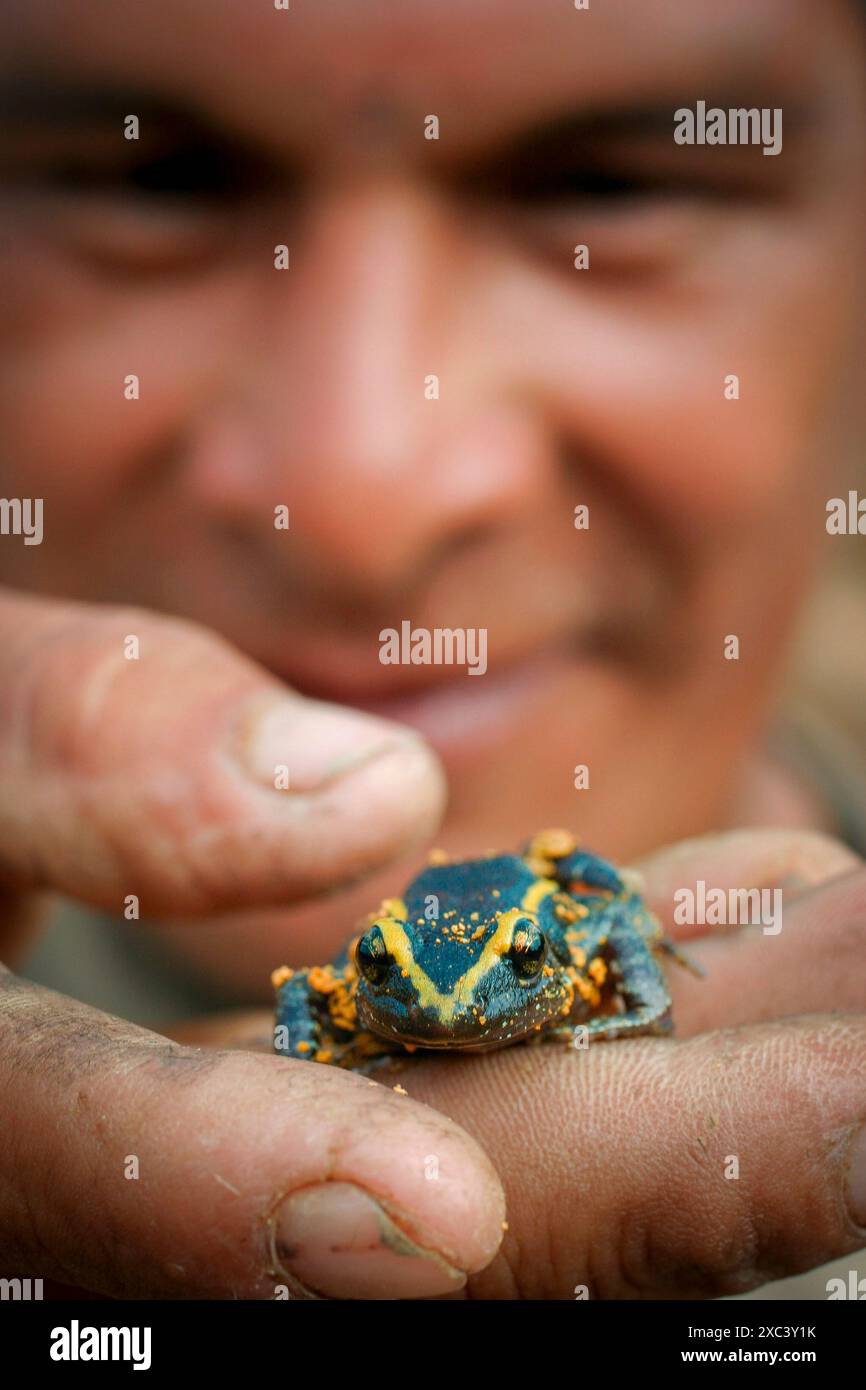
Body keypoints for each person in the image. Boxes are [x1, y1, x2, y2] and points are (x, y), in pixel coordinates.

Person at [1, 0, 865, 1300]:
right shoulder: (377, 988)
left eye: (609, 186)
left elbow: (591, 922)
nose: (362, 507)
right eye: (149, 180)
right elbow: (325, 997)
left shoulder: (565, 939)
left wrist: (618, 976)